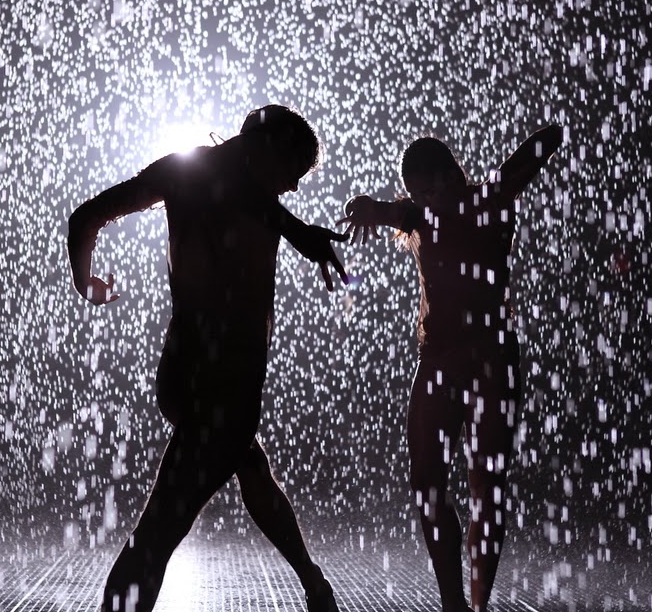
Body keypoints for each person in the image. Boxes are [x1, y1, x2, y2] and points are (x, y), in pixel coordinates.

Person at [68, 105, 347, 612]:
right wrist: (298, 231)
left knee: (252, 472)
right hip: (223, 384)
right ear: (263, 149)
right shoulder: (225, 186)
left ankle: (314, 584)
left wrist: (85, 281)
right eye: (293, 171)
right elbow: (236, 195)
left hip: (185, 373)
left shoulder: (189, 174)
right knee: (157, 534)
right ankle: (314, 587)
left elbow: (86, 218)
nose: (293, 187)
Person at [340, 125, 563, 612]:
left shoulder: (487, 199)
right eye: (421, 192)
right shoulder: (416, 215)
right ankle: (452, 603)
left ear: (454, 177)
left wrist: (539, 147)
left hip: (490, 362)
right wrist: (373, 208)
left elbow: (532, 155)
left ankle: (477, 604)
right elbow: (396, 211)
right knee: (426, 483)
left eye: (436, 188)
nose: (430, 200)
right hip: (437, 361)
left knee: (487, 486)